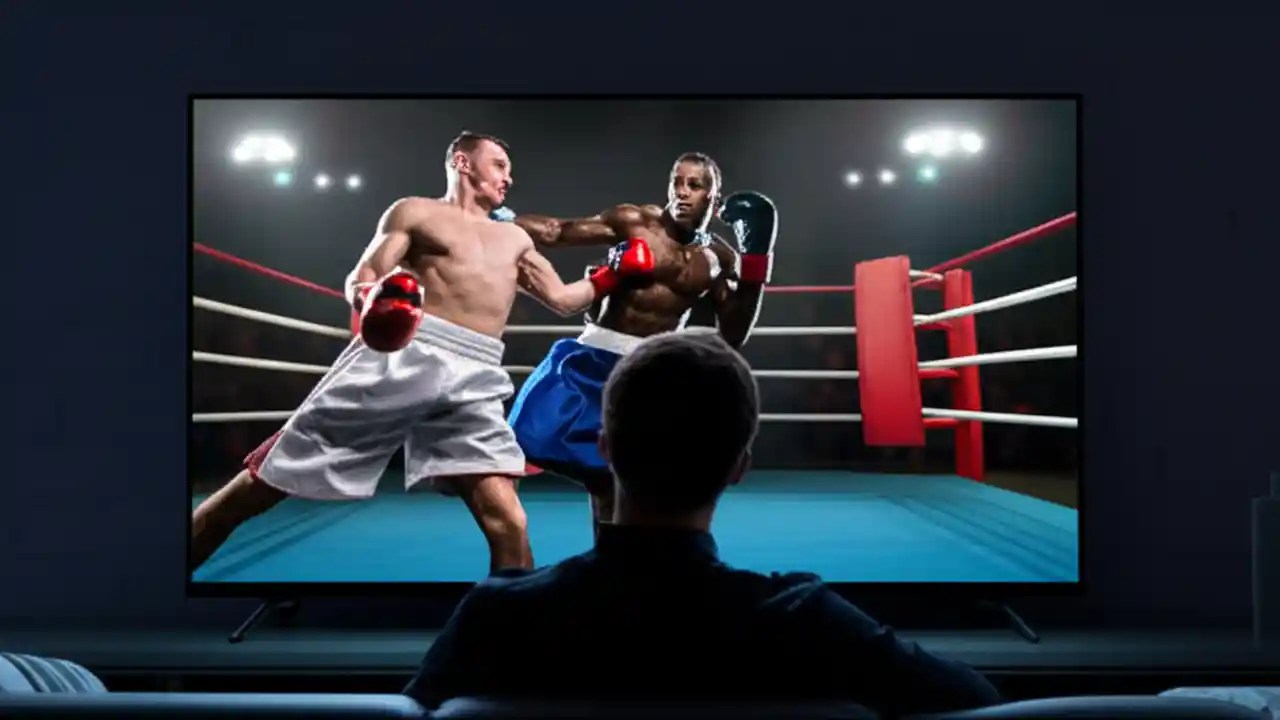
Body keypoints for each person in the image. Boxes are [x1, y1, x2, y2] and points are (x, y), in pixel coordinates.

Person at [402, 331, 1003, 715]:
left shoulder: (499, 616)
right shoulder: (805, 621)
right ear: (740, 466)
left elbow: (409, 716)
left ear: (604, 446)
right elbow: (979, 703)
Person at [190, 131, 657, 575]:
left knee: (509, 522)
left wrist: (609, 277)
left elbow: (562, 300)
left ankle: (513, 633)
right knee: (257, 490)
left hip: (476, 374)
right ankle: (168, 566)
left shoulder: (515, 238)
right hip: (404, 352)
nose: (507, 177)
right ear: (462, 162)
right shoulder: (416, 212)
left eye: (509, 170)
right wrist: (371, 302)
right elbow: (366, 272)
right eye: (498, 165)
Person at [498, 152, 776, 536]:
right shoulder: (637, 223)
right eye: (676, 182)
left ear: (714, 195)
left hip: (647, 374)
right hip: (592, 362)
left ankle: (615, 566)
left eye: (694, 186)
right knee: (522, 451)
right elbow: (556, 231)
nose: (682, 193)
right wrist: (497, 221)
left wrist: (755, 265)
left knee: (622, 484)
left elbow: (733, 334)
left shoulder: (717, 259)